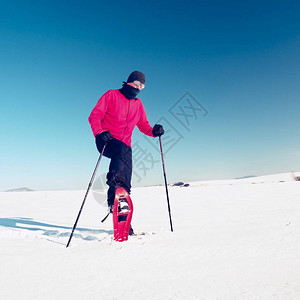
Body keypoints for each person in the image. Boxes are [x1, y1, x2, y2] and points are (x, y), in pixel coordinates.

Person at [88, 71, 164, 232]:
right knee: (122, 150)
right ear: (129, 82)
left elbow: (143, 125)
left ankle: (121, 213)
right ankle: (112, 199)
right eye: (136, 83)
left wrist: (154, 131)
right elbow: (95, 116)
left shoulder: (138, 105)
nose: (138, 87)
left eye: (142, 85)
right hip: (106, 141)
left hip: (124, 149)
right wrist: (99, 133)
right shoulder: (111, 95)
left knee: (127, 179)